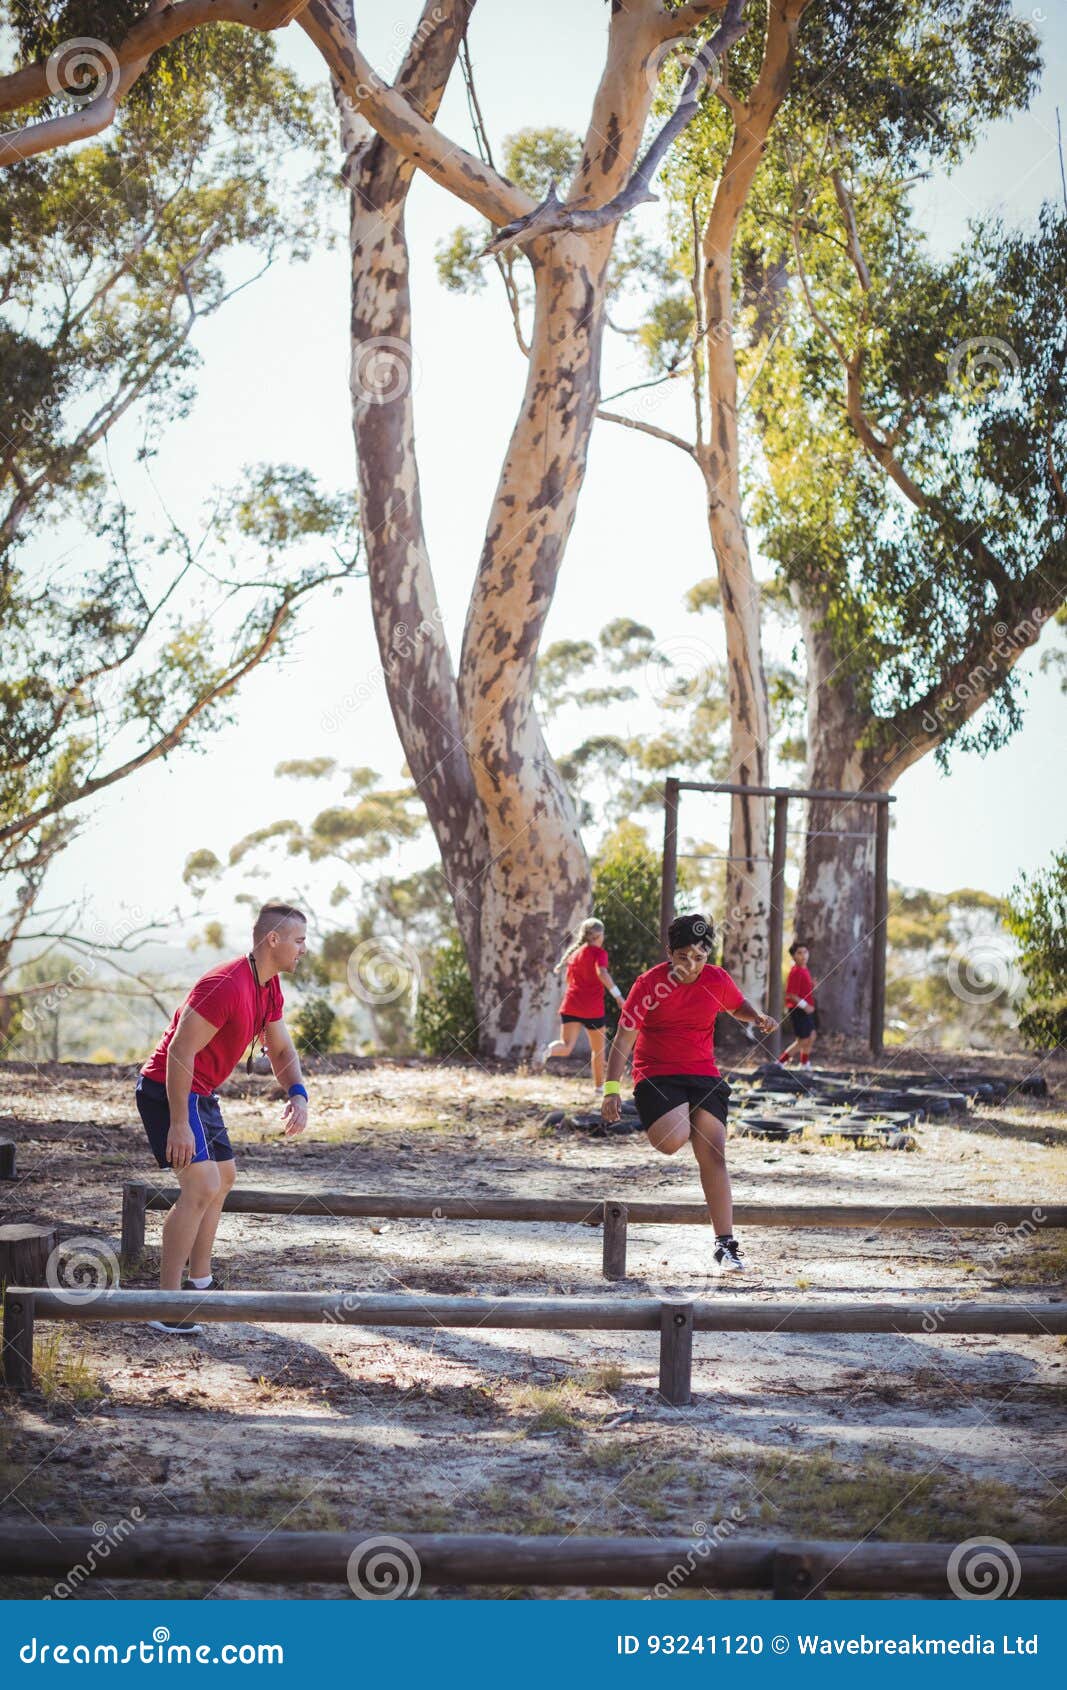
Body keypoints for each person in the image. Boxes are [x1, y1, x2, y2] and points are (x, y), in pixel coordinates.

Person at [135, 903, 311, 1334]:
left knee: (224, 1177)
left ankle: (201, 1282)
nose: (304, 949)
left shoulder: (267, 987)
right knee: (201, 1185)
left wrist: (298, 1093)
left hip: (202, 1093)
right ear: (274, 940)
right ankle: (167, 1304)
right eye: (300, 940)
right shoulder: (227, 984)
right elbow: (179, 1050)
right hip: (168, 1090)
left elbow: (282, 1050)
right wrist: (178, 1122)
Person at [600, 912, 775, 1273]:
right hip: (658, 1075)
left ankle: (725, 1244)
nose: (692, 966)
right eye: (684, 958)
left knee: (714, 1153)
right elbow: (623, 1040)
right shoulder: (648, 985)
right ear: (670, 952)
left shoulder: (716, 978)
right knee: (672, 1139)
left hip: (702, 1074)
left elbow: (735, 1004)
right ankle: (671, 1116)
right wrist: (611, 1089)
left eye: (700, 958)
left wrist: (757, 1016)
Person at [541, 917, 624, 1093]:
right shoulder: (599, 953)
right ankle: (599, 1088)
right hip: (592, 1009)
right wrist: (618, 995)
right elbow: (602, 972)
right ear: (599, 935)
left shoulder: (575, 954)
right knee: (598, 1050)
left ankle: (546, 1050)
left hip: (571, 1006)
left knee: (565, 1047)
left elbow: (568, 980)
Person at [780, 941, 817, 1067]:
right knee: (803, 1040)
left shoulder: (804, 969)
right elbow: (791, 994)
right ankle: (779, 1063)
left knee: (811, 1036)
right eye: (799, 953)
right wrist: (805, 1006)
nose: (803, 956)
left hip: (806, 1009)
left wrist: (812, 985)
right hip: (797, 1009)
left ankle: (804, 1063)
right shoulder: (795, 971)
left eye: (805, 952)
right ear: (794, 956)